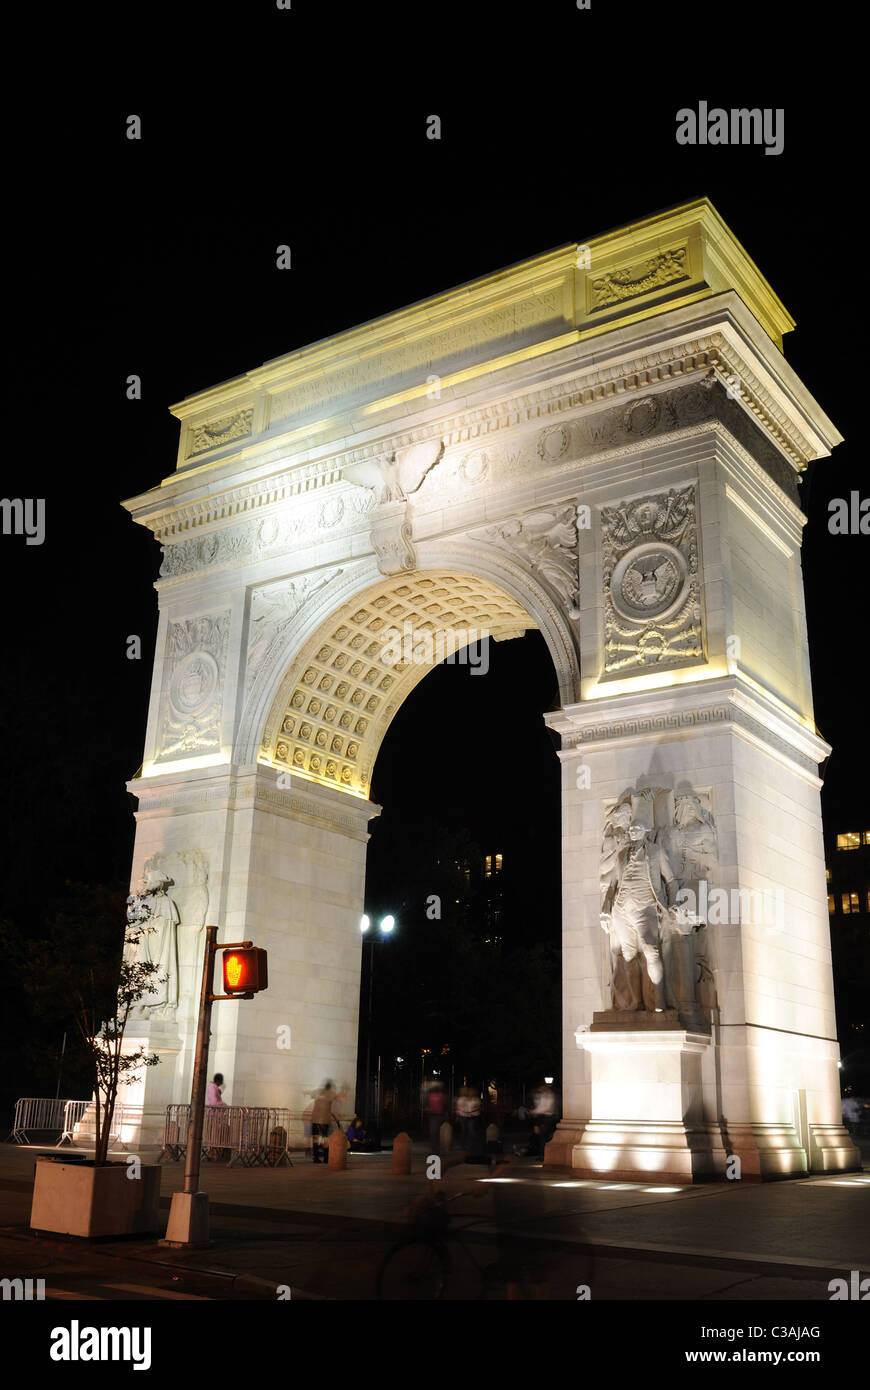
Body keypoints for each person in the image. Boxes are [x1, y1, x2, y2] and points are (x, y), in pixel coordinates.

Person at [310, 1079, 340, 1164]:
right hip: (324, 1121)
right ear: (330, 1087)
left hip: (315, 1119)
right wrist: (336, 1119)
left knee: (315, 1139)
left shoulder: (319, 1093)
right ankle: (326, 1158)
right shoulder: (330, 1094)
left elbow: (312, 1095)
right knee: (326, 1139)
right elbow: (332, 1107)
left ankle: (315, 1158)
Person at [424, 1080, 449, 1155]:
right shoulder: (429, 1095)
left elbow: (445, 1104)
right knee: (434, 1132)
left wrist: (445, 1113)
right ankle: (434, 1149)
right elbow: (426, 1103)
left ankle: (436, 1149)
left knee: (435, 1132)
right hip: (433, 1115)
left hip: (439, 1115)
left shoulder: (441, 1095)